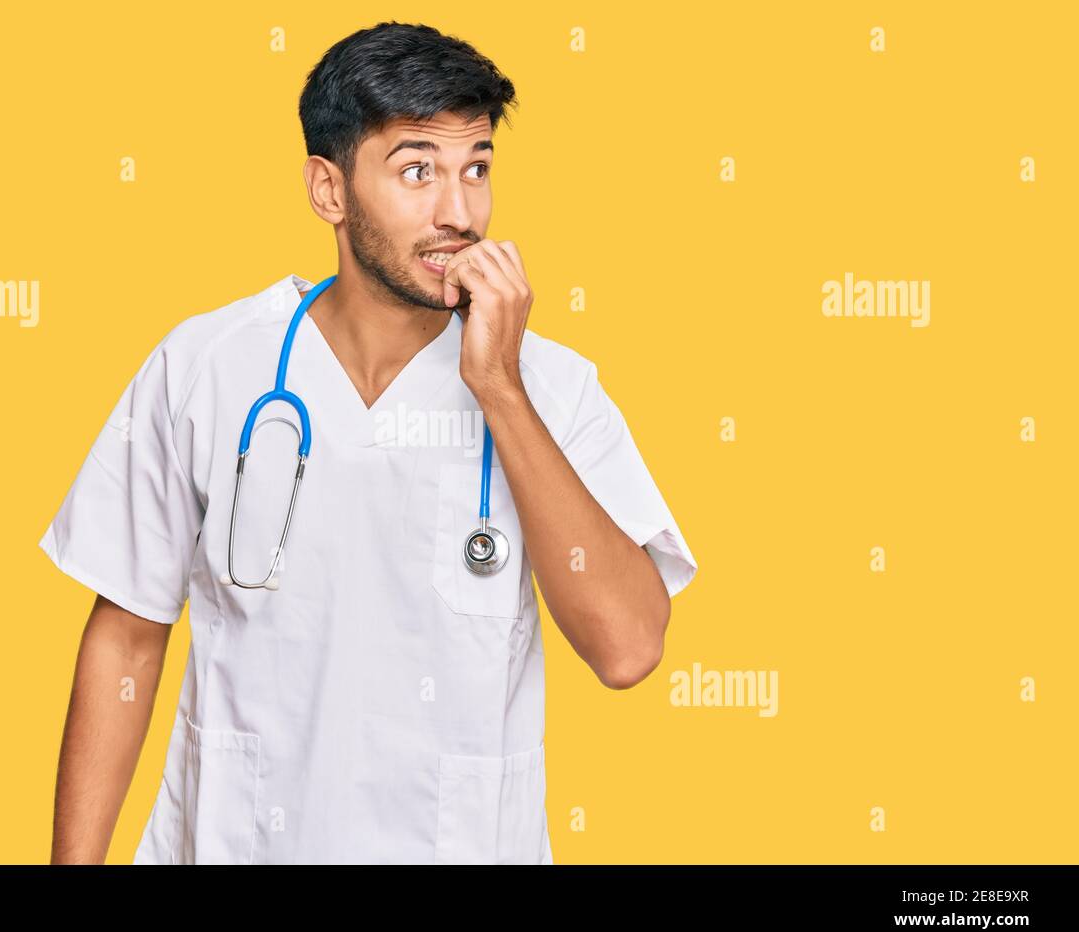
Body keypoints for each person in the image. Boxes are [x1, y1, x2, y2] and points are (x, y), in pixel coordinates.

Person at [38, 20, 697, 865]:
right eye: (416, 170)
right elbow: (127, 637)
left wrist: (499, 388)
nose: (459, 213)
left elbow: (630, 647)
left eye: (477, 169)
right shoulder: (207, 367)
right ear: (329, 190)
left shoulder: (555, 390)